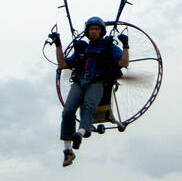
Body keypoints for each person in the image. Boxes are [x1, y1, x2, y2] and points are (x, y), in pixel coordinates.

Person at [52, 18, 129, 166]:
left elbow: (124, 63)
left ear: (101, 31)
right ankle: (68, 151)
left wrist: (125, 46)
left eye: (97, 29)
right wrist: (58, 44)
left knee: (89, 106)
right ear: (87, 31)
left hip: (97, 81)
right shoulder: (82, 49)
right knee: (67, 112)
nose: (94, 31)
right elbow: (62, 64)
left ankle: (80, 133)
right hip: (79, 81)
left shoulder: (108, 47)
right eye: (91, 29)